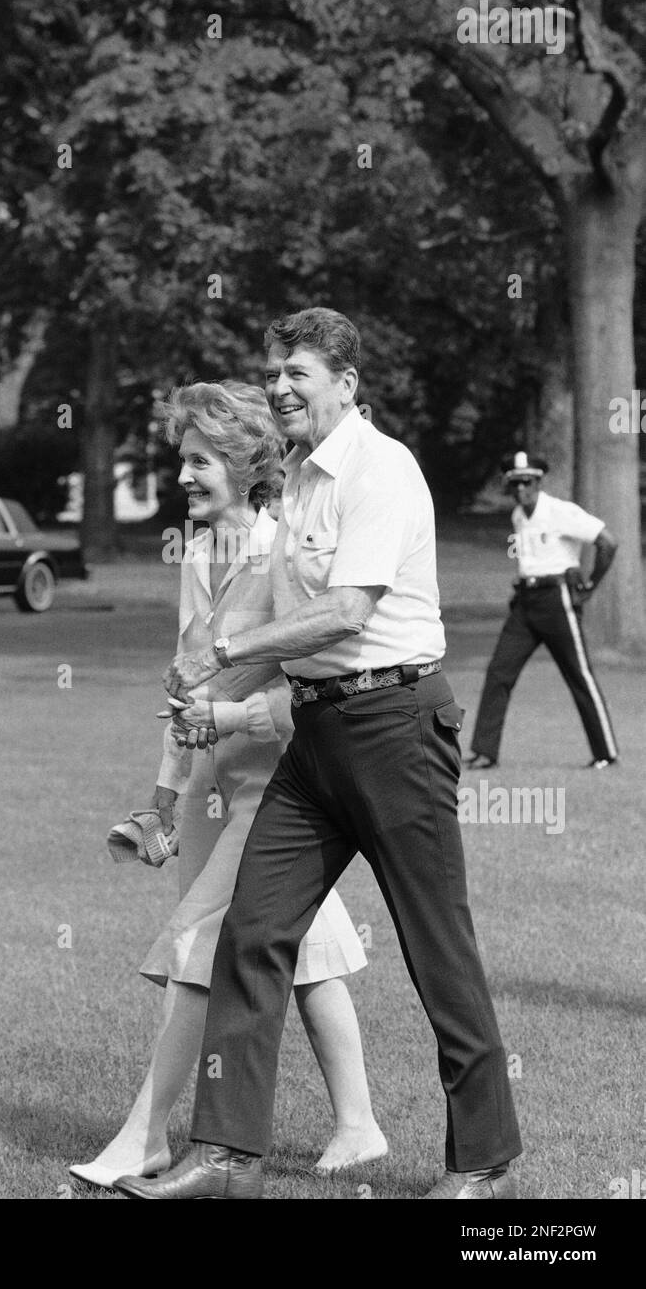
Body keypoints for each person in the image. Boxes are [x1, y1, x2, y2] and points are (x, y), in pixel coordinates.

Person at [116, 307, 522, 1202]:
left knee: (435, 944)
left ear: (346, 380)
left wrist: (220, 656)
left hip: (396, 729)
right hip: (314, 733)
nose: (279, 387)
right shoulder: (295, 481)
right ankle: (228, 1160)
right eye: (272, 372)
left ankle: (485, 1160)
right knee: (252, 935)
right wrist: (209, 700)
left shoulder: (383, 471)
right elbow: (280, 631)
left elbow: (346, 611)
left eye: (296, 371)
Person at [69, 381, 386, 1190]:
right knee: (297, 948)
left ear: (248, 465)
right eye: (182, 460)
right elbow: (186, 685)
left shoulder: (289, 552)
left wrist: (231, 716)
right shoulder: (197, 551)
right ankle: (358, 1125)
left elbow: (313, 693)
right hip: (211, 789)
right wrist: (162, 801)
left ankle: (146, 1133)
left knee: (198, 949)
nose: (183, 475)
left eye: (198, 460)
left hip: (282, 788)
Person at [466, 451, 618, 770]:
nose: (522, 490)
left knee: (578, 674)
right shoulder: (519, 516)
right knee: (498, 671)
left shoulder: (561, 512)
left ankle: (606, 752)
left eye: (528, 482)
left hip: (557, 598)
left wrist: (590, 585)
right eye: (516, 484)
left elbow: (608, 542)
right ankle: (484, 751)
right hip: (525, 602)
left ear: (539, 482)